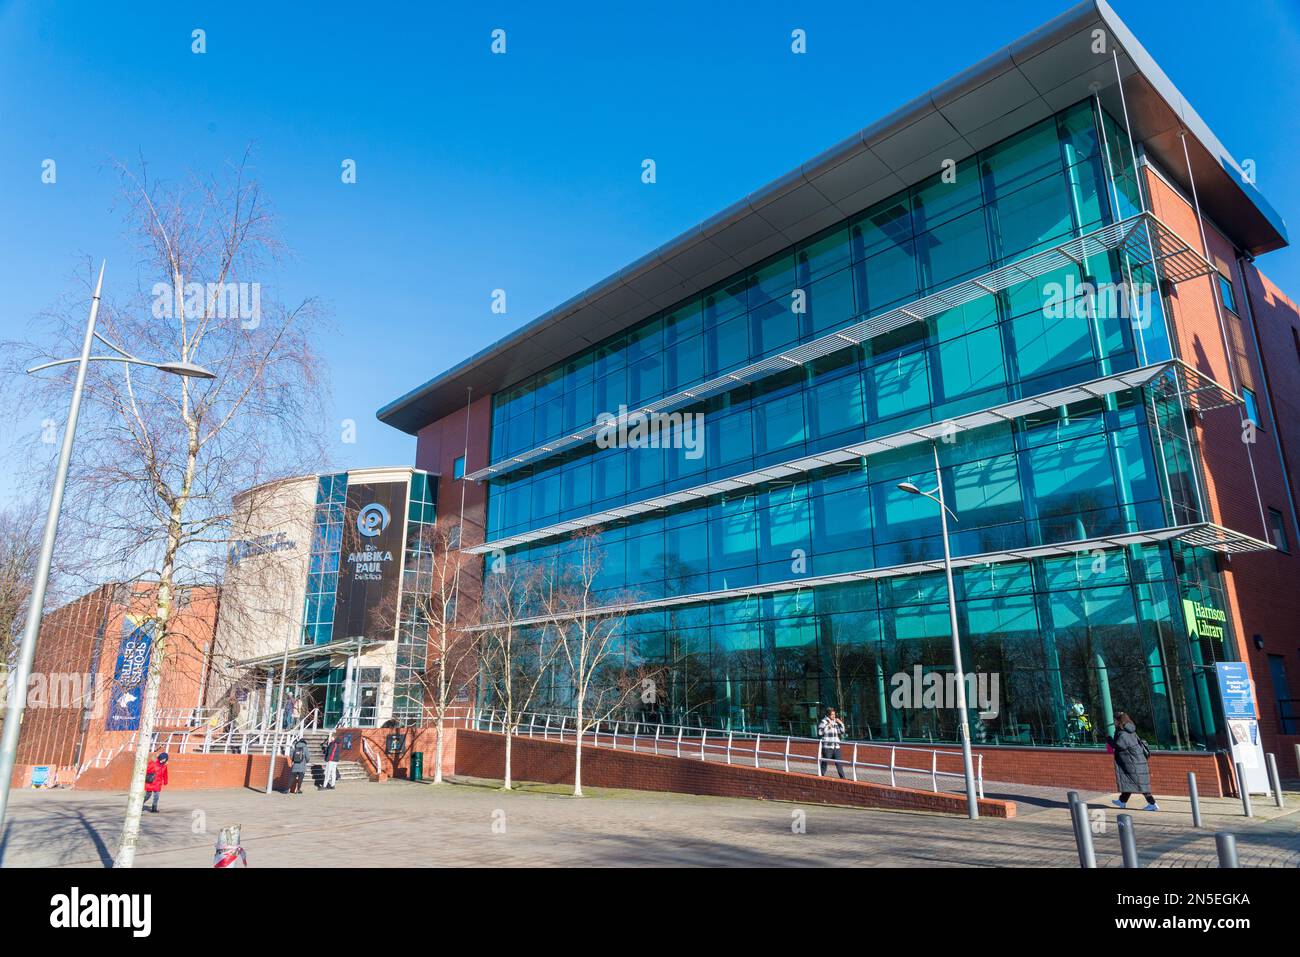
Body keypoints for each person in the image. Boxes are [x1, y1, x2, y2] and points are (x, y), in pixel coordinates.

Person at [1110, 712, 1159, 811]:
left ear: (1119, 721)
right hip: (1136, 760)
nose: (1114, 722)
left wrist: (1110, 741)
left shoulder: (1123, 733)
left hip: (1133, 762)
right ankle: (1122, 801)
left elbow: (1119, 745)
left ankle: (1152, 804)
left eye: (1115, 720)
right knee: (1130, 781)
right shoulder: (1130, 730)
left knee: (1139, 783)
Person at [817, 707, 847, 779]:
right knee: (825, 763)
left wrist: (841, 723)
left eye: (834, 714)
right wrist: (828, 726)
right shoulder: (823, 721)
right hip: (827, 747)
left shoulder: (835, 722)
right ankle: (820, 777)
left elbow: (842, 732)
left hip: (836, 746)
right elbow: (819, 732)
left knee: (839, 763)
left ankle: (843, 778)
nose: (834, 716)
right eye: (832, 714)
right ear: (828, 715)